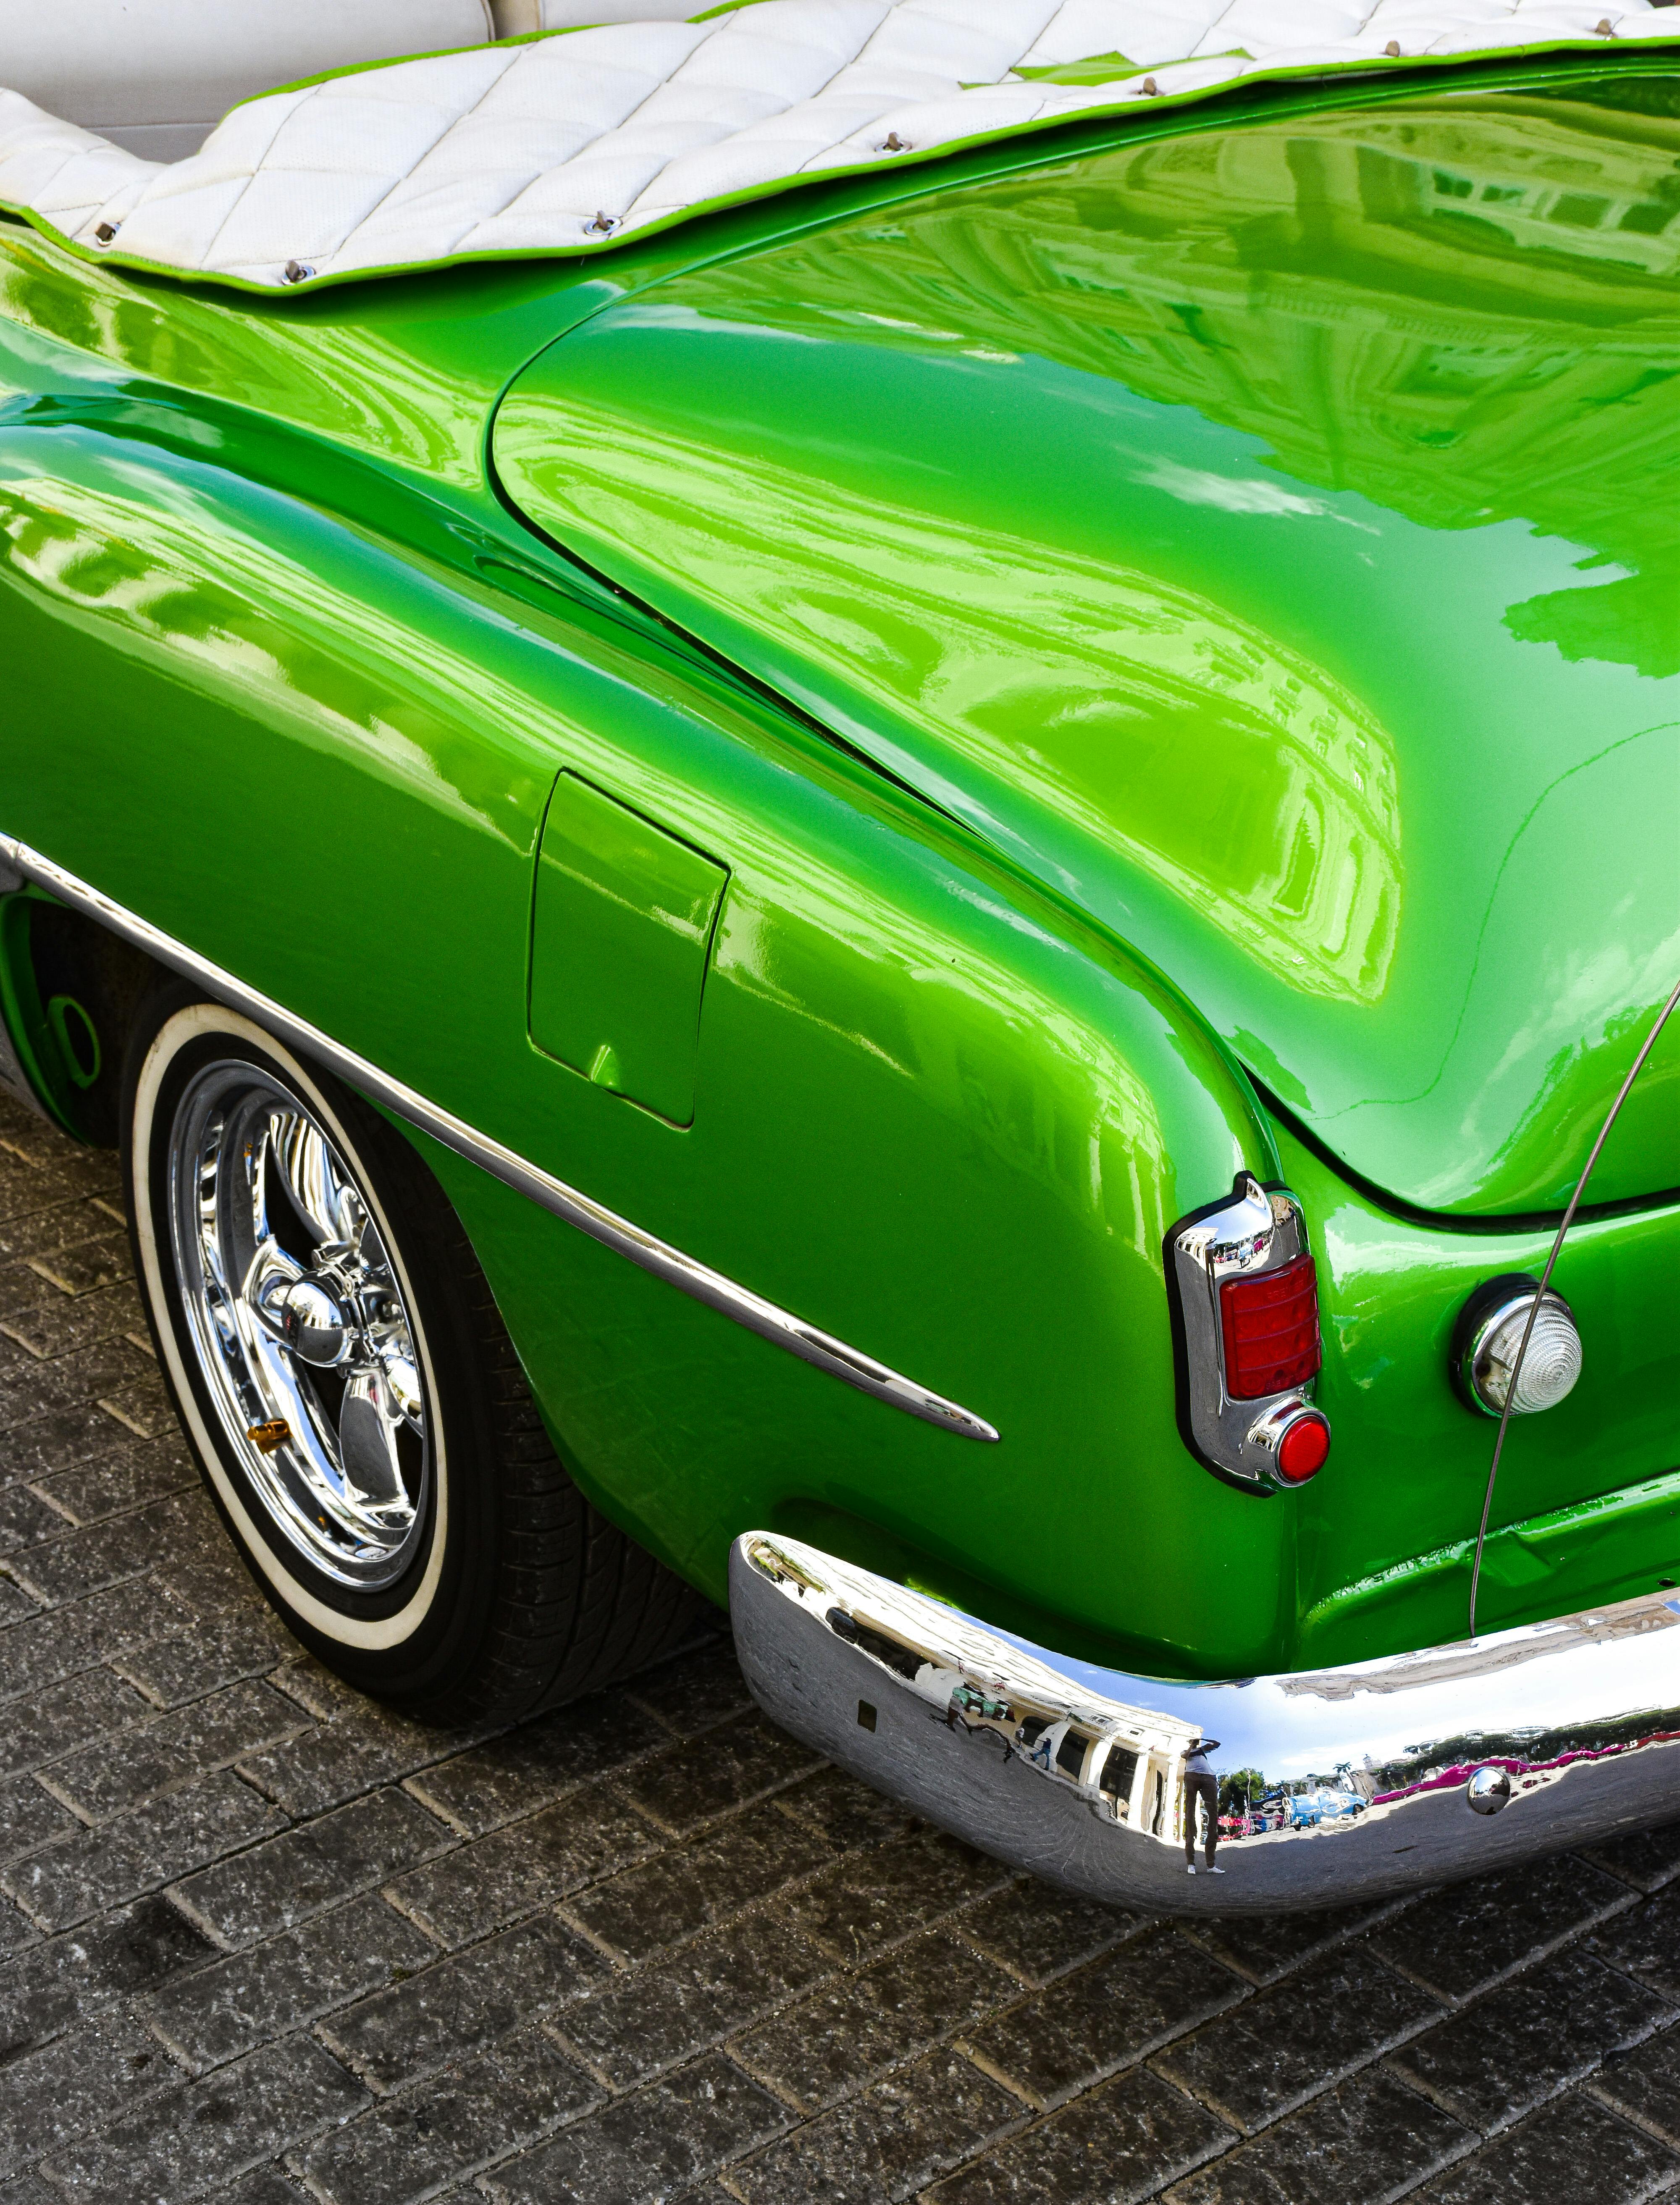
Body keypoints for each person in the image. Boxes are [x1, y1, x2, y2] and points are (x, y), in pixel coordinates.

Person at [1182, 1738, 1224, 1874]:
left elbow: (1217, 1744)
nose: (1194, 1744)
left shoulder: (1203, 1750)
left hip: (1208, 1778)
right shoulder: (1185, 1751)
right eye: (1192, 1742)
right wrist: (1192, 1746)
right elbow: (1185, 1756)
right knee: (1190, 1811)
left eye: (1195, 1742)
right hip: (1191, 1776)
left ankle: (1211, 1866)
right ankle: (1191, 1864)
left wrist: (1202, 1739)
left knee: (1213, 1814)